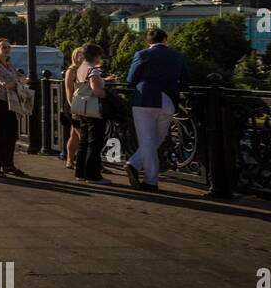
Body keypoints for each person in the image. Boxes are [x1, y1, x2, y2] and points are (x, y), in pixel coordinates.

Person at [124, 28, 190, 192]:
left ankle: (149, 179)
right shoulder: (178, 56)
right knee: (157, 138)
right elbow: (185, 80)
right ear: (165, 39)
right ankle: (135, 165)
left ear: (148, 42)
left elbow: (130, 80)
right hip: (168, 100)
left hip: (144, 100)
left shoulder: (142, 54)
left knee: (147, 139)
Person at [0, 39, 27, 177]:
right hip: (1, 101)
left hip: (12, 101)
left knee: (11, 134)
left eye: (9, 47)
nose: (7, 49)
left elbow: (22, 78)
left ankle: (7, 164)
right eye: (4, 47)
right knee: (0, 134)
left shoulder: (9, 64)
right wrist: (18, 82)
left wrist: (18, 81)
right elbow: (5, 83)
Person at [73, 43, 111, 185]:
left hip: (83, 108)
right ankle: (93, 175)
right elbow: (96, 91)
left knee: (84, 141)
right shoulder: (93, 70)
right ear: (96, 56)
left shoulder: (81, 68)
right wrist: (108, 95)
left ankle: (80, 173)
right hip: (94, 109)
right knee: (95, 143)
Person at [61, 46, 84, 169]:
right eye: (80, 54)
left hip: (82, 105)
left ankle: (69, 161)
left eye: (84, 54)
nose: (83, 56)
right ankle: (90, 163)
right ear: (75, 56)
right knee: (83, 136)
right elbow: (68, 91)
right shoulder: (71, 70)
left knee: (74, 136)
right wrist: (73, 108)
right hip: (73, 106)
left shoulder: (85, 69)